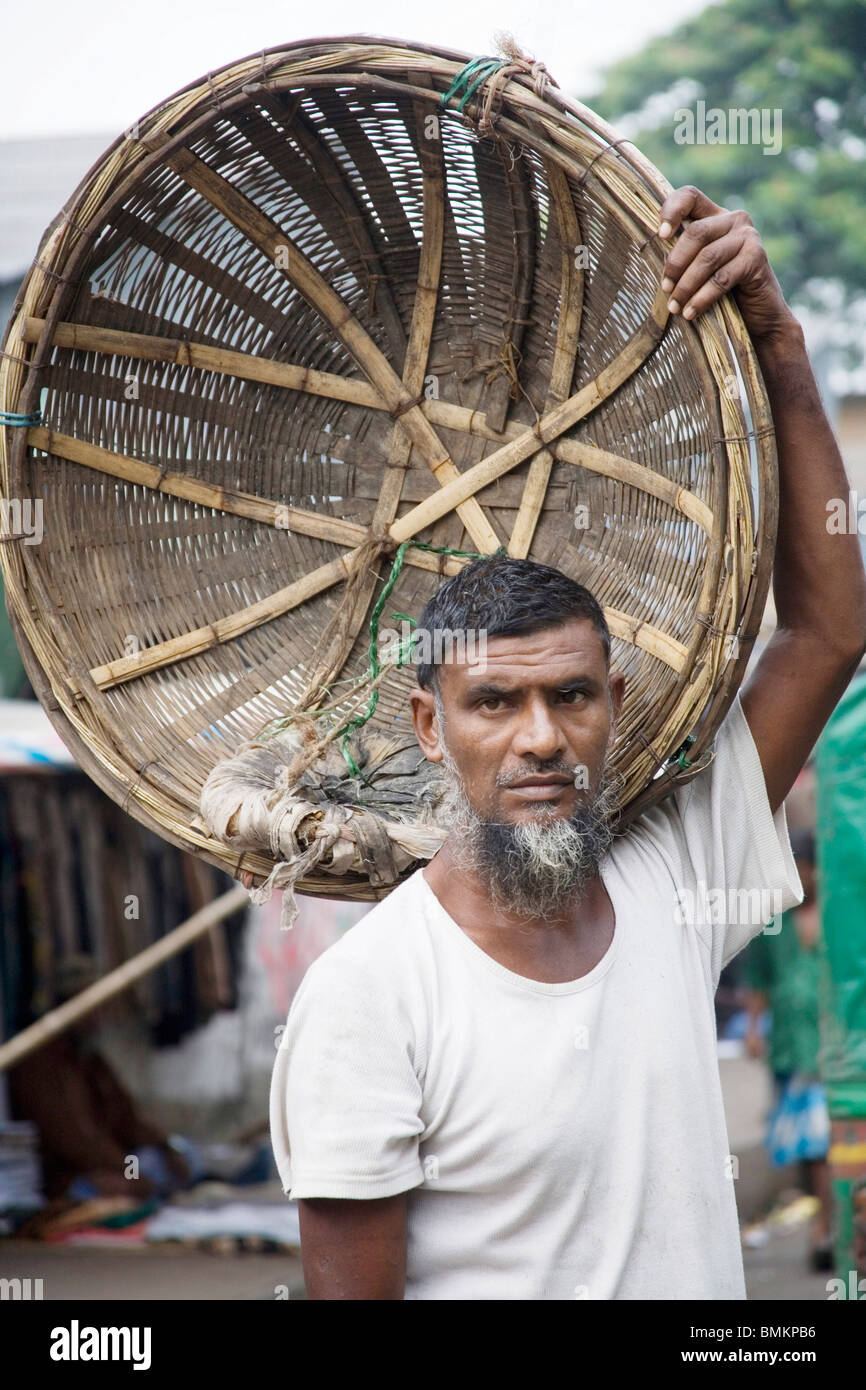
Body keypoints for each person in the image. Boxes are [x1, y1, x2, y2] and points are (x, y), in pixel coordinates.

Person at [270, 185, 866, 1299]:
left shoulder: (672, 881)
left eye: (571, 698)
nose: (541, 739)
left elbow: (828, 631)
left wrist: (779, 345)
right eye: (493, 703)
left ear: (613, 698)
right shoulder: (374, 992)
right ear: (427, 725)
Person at [744, 830, 833, 1270]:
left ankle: (830, 1229)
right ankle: (828, 1228)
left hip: (838, 1047)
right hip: (793, 1047)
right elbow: (758, 980)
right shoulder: (773, 920)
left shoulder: (843, 915)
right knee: (812, 1147)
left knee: (831, 1142)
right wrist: (755, 1028)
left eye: (806, 868)